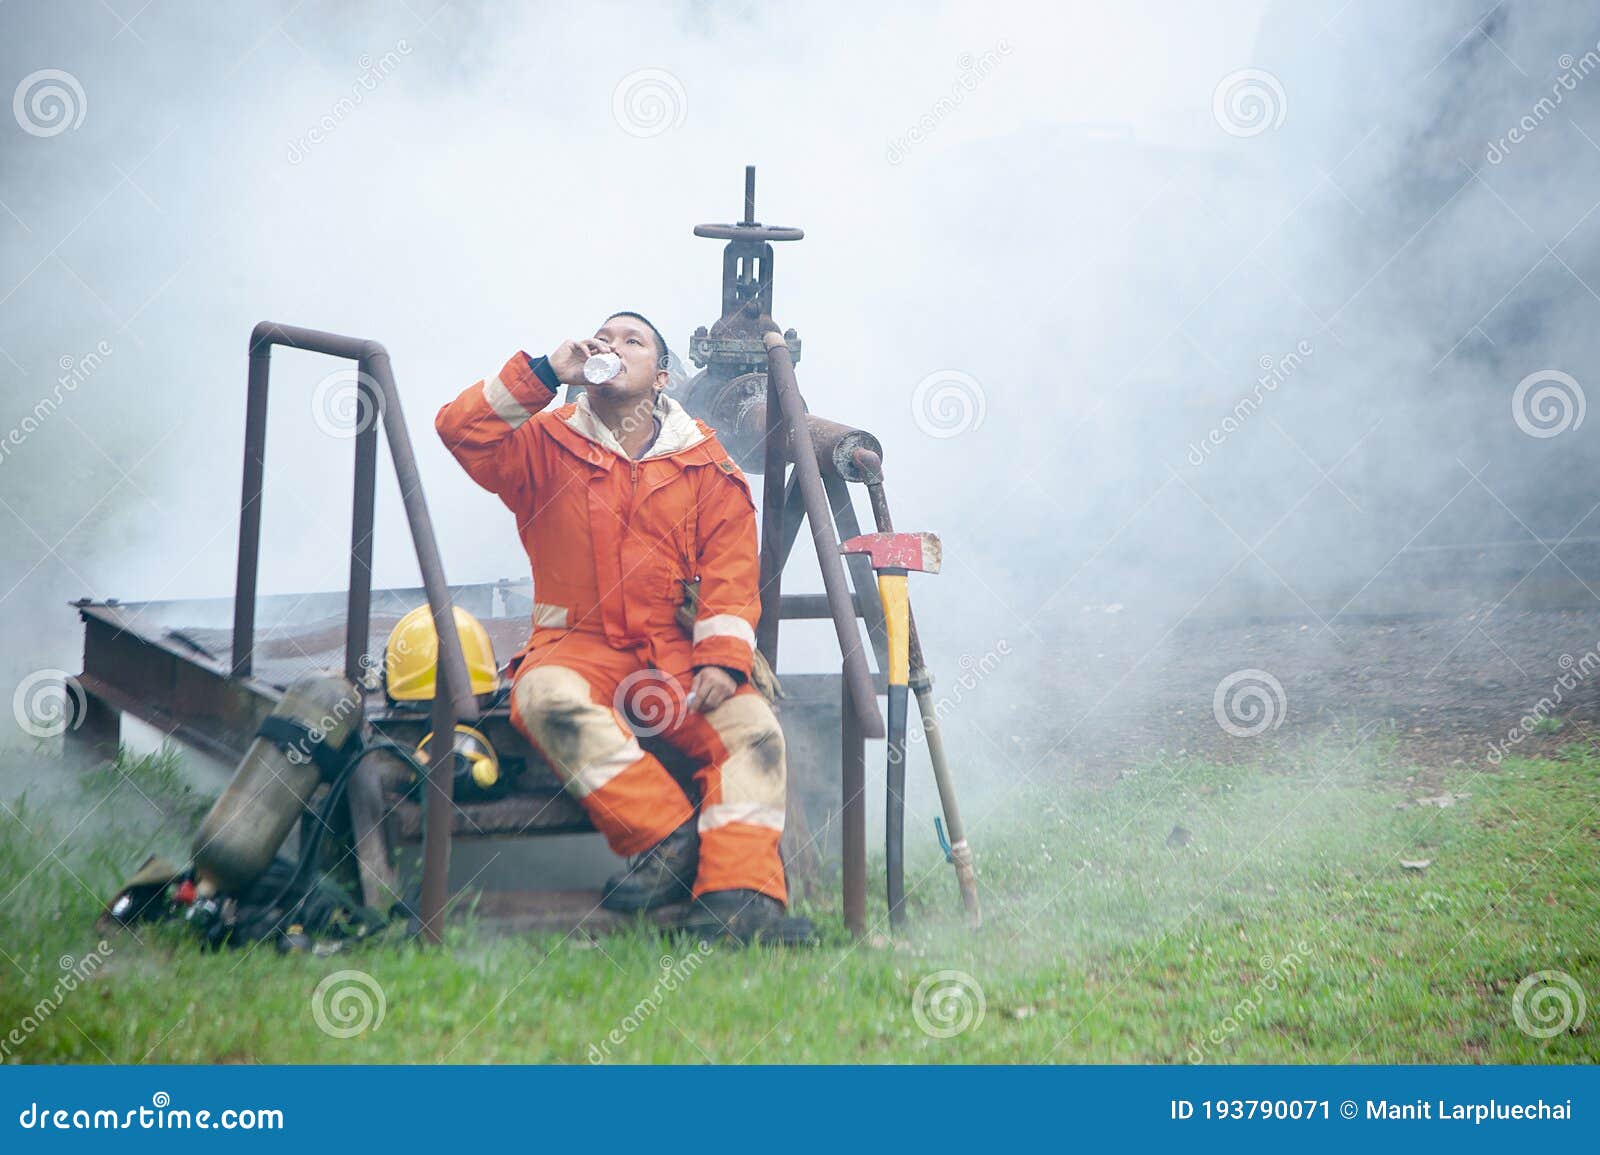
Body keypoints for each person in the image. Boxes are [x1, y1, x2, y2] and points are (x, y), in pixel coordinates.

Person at [435, 312, 810, 945]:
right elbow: (460, 431)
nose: (610, 346)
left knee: (754, 733)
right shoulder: (545, 442)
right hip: (575, 646)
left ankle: (739, 901)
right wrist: (548, 372)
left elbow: (732, 571)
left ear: (661, 376)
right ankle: (666, 841)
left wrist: (721, 660)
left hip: (673, 656)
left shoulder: (704, 463)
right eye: (602, 338)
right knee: (544, 698)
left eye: (630, 340)